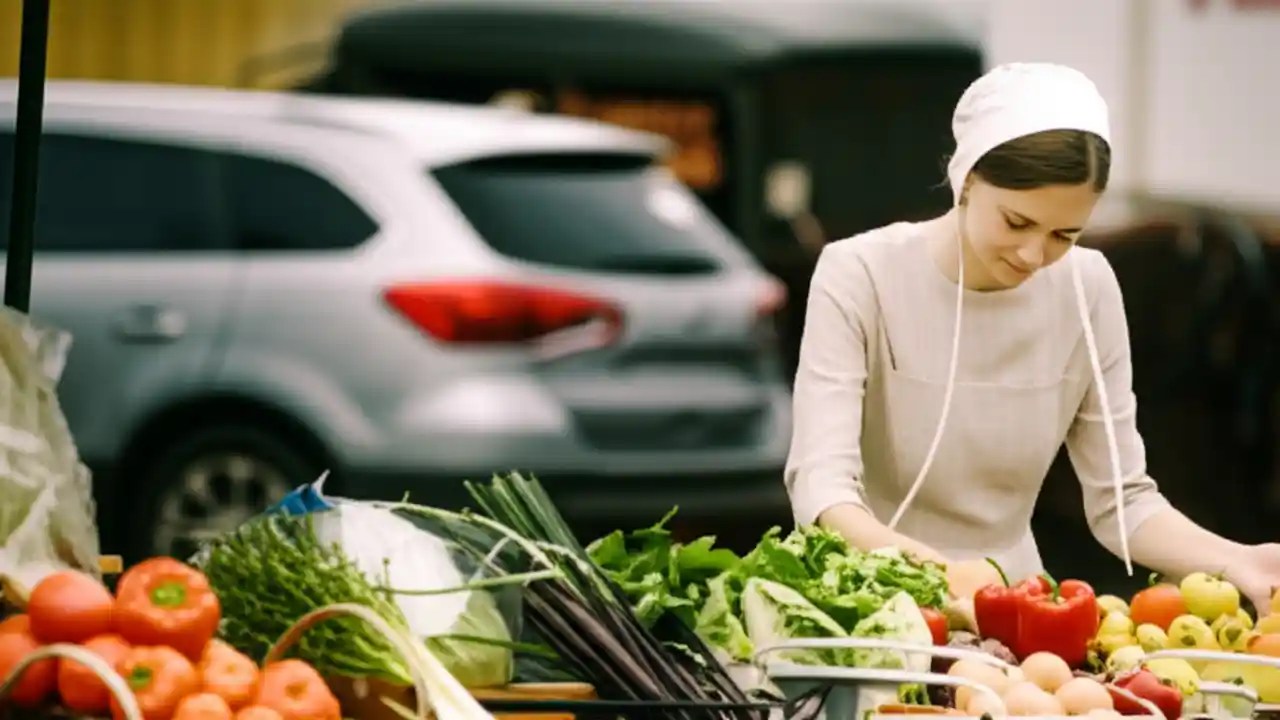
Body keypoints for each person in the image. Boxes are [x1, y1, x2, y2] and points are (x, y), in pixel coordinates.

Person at [784, 62, 1280, 611]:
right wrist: (942, 575)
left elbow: (1122, 501)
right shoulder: (859, 273)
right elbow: (821, 491)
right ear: (966, 178)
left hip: (1018, 618)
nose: (1033, 256)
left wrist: (1239, 560)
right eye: (1017, 223)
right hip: (868, 605)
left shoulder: (1087, 288)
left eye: (1064, 234)